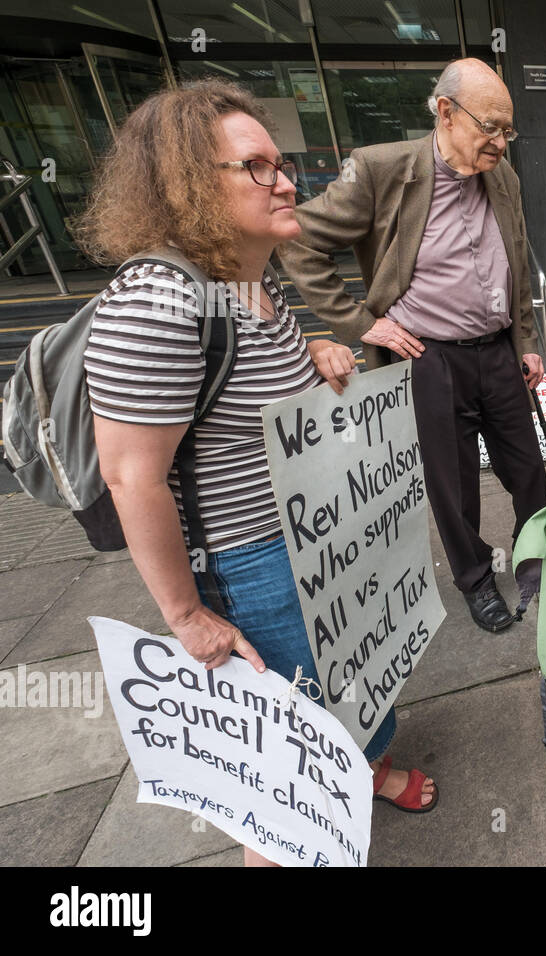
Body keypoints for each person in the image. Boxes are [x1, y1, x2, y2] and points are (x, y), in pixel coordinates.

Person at [77, 81, 438, 866]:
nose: (286, 182)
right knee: (284, 768)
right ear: (188, 188)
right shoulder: (159, 300)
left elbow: (243, 394)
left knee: (350, 681)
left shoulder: (254, 281)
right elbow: (131, 475)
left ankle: (366, 771)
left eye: (283, 163)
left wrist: (315, 355)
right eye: (257, 168)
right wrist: (187, 617)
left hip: (317, 542)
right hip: (253, 567)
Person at [278, 58, 546, 634]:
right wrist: (359, 323)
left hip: (498, 350)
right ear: (446, 113)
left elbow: (518, 264)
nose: (501, 142)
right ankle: (476, 581)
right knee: (453, 485)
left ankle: (536, 564)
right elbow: (299, 241)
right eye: (491, 127)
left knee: (529, 471)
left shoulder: (503, 176)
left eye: (509, 130)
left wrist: (526, 338)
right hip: (427, 357)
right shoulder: (382, 169)